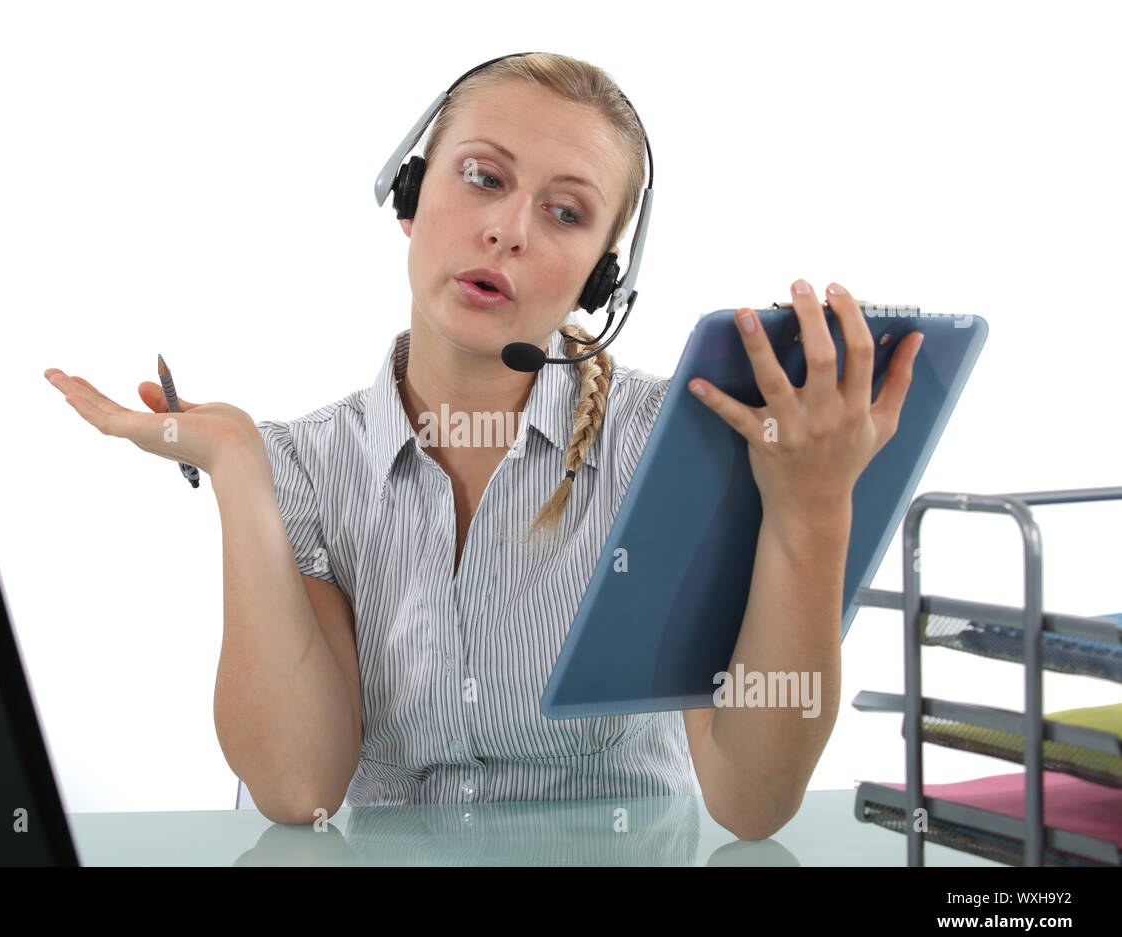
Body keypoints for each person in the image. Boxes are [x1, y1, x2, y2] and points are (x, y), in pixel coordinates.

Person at [44, 53, 921, 839]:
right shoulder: (303, 466)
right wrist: (240, 467)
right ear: (411, 194)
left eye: (565, 212)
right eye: (481, 177)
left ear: (600, 279)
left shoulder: (666, 442)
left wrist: (812, 511)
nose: (510, 230)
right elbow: (298, 787)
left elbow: (752, 801)